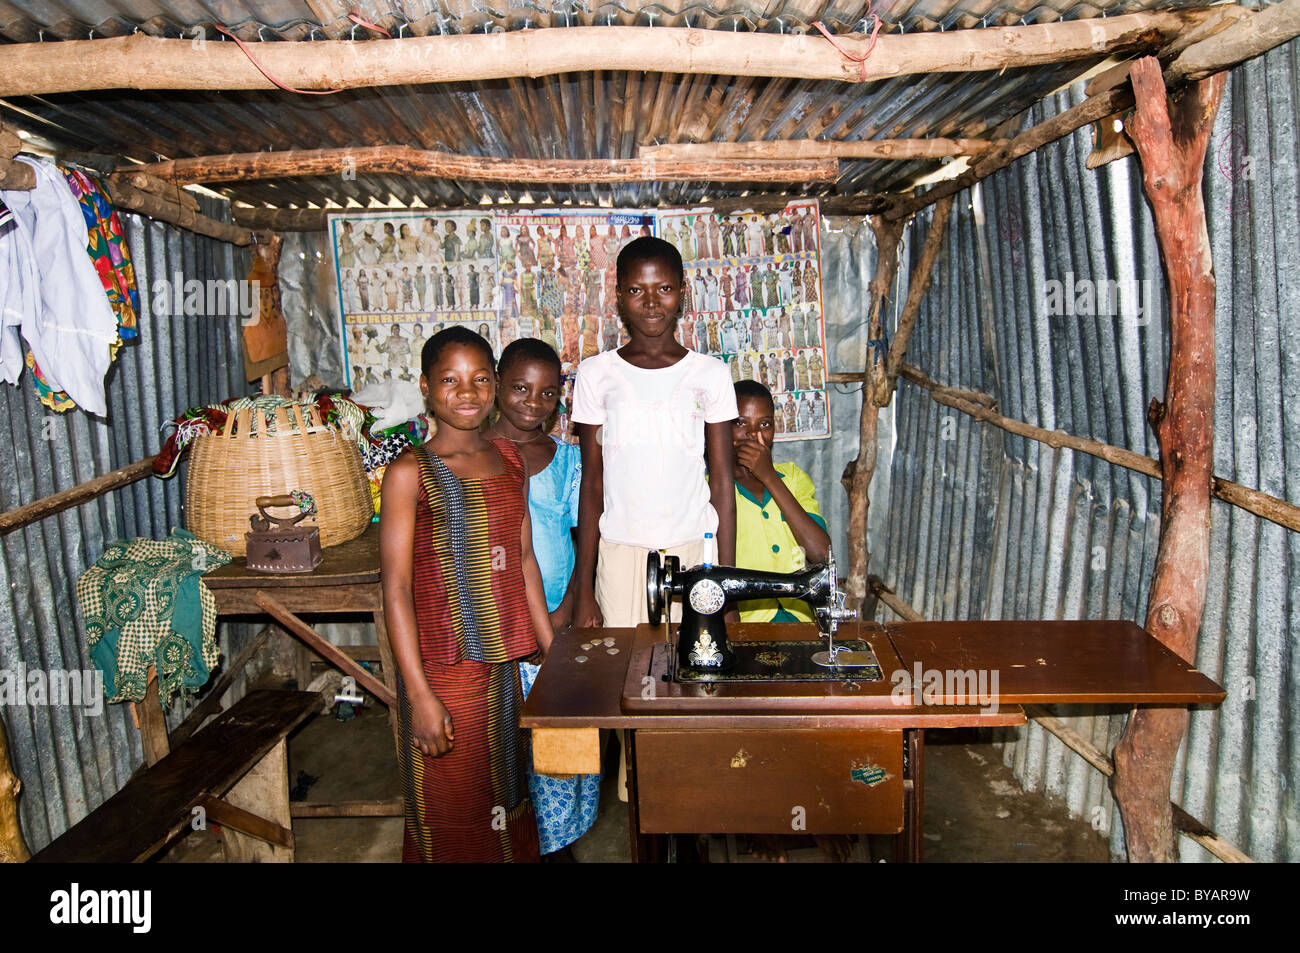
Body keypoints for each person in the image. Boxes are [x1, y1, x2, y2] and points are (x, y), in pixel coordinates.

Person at [379, 326, 553, 863]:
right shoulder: (411, 471)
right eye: (450, 380)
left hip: (501, 670)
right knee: (449, 810)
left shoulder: (509, 458)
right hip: (443, 671)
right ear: (427, 388)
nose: (467, 392)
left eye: (480, 379)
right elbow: (397, 588)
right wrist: (420, 695)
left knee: (504, 799)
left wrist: (553, 654)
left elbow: (523, 560)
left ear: (496, 384)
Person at [571, 235, 737, 631]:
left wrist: (728, 587)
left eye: (663, 288)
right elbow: (592, 486)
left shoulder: (710, 375)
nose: (650, 302)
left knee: (690, 678)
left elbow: (723, 484)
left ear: (682, 292)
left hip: (694, 553)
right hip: (620, 556)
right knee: (622, 682)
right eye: (636, 290)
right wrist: (584, 590)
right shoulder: (596, 375)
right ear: (618, 296)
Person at [484, 338, 600, 860]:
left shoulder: (568, 461)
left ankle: (559, 846)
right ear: (496, 384)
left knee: (559, 750)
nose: (533, 402)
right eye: (521, 389)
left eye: (548, 393)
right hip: (492, 632)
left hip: (556, 625)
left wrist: (563, 616)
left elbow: (584, 542)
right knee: (501, 756)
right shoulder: (470, 456)